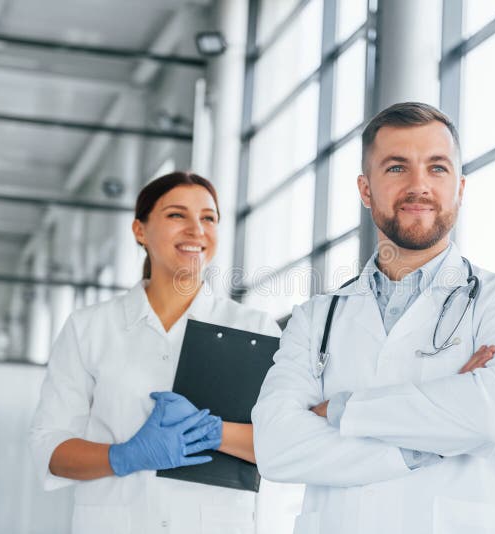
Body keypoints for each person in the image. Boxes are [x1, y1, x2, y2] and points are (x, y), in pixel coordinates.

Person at [252, 102, 495, 534]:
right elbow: (275, 447)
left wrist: (339, 408)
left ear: (460, 188)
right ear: (366, 189)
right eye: (396, 168)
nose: (418, 185)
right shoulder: (316, 317)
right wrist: (430, 445)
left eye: (437, 168)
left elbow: (493, 417)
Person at [30, 172, 296, 534]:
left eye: (208, 218)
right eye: (176, 215)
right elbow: (52, 450)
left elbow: (285, 442)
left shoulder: (255, 329)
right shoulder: (89, 328)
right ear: (140, 230)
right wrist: (125, 456)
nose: (196, 230)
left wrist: (213, 433)